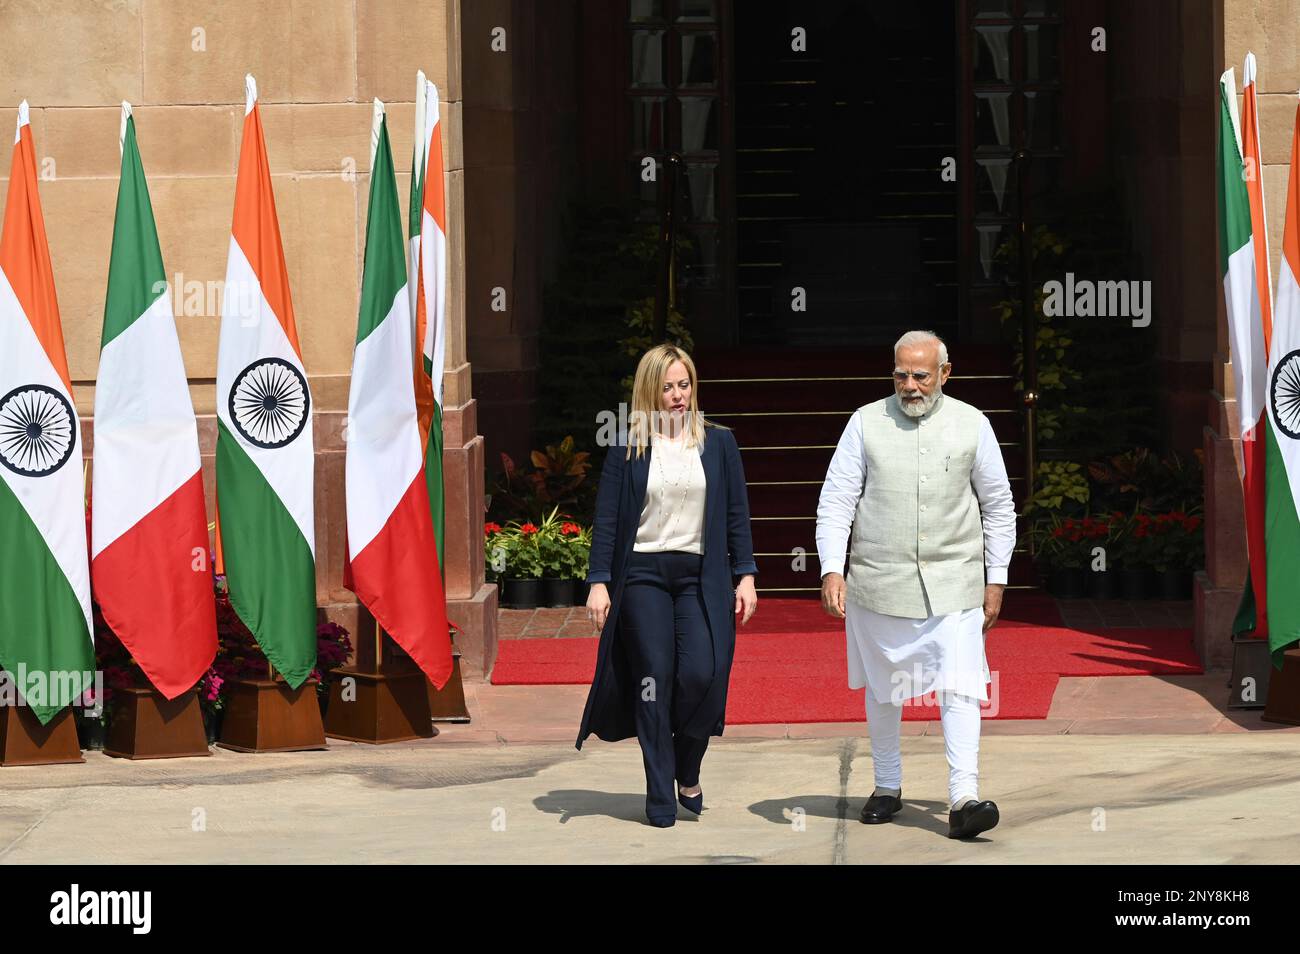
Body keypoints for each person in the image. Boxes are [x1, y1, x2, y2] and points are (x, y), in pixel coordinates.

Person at [815, 330, 1016, 839]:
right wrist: (831, 568)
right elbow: (837, 500)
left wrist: (997, 579)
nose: (910, 385)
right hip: (880, 582)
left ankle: (964, 798)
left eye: (921, 375)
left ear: (945, 374)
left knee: (963, 686)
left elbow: (998, 508)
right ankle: (887, 787)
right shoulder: (864, 422)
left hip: (956, 583)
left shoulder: (974, 424)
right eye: (901, 374)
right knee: (884, 689)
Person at [576, 343, 759, 827]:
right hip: (642, 575)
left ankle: (688, 766)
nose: (678, 396)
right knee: (653, 679)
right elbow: (609, 521)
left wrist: (745, 574)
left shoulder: (719, 442)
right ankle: (660, 793)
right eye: (668, 387)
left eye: (684, 385)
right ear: (649, 392)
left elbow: (737, 515)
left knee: (704, 672)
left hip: (701, 575)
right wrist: (599, 582)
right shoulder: (627, 445)